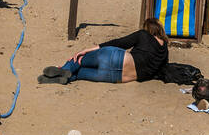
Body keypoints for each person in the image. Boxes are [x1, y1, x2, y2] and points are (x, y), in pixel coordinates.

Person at [39, 18, 168, 85]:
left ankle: (63, 69)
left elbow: (120, 43)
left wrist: (88, 49)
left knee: (80, 60)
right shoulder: (164, 51)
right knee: (79, 74)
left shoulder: (143, 35)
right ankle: (64, 78)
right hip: (120, 78)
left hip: (117, 58)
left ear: (148, 28)